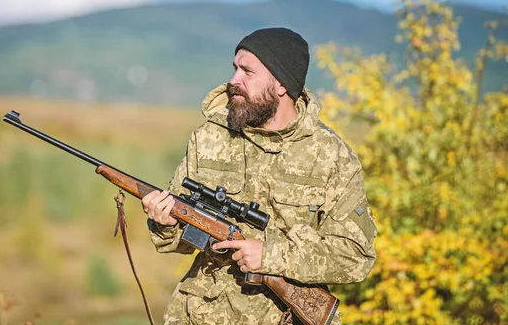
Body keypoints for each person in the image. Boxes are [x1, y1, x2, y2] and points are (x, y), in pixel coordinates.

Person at [141, 27, 377, 324]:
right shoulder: (209, 138)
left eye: (247, 72)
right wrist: (165, 222)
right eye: (234, 68)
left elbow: (355, 256)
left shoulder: (332, 156)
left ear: (280, 83)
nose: (232, 81)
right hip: (201, 316)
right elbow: (181, 240)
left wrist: (270, 256)